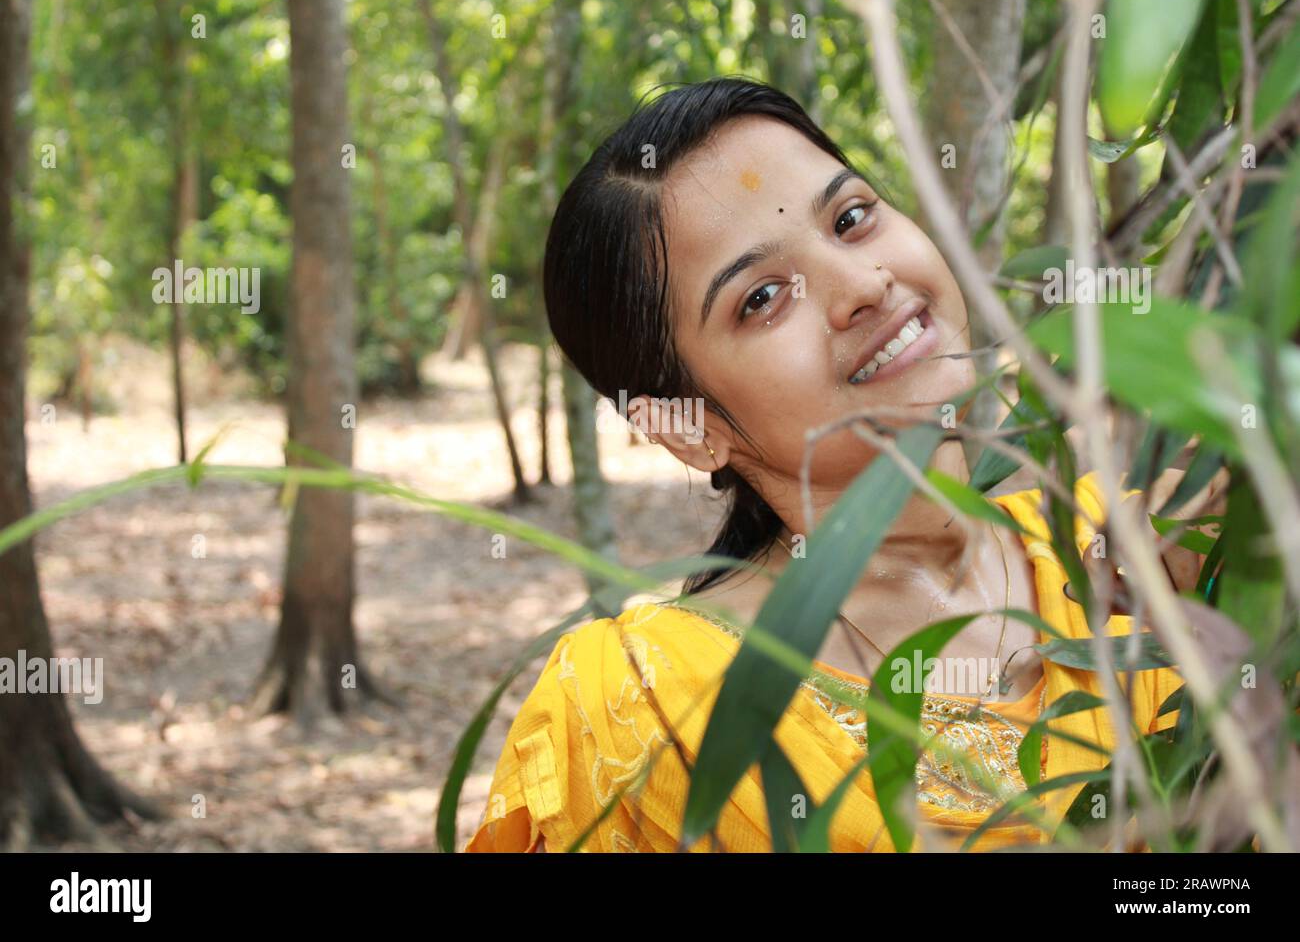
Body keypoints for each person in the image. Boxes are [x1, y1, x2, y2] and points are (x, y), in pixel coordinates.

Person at [465, 77, 1217, 853]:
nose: (863, 287)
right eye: (760, 298)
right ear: (690, 430)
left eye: (851, 218)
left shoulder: (1144, 545)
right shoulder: (645, 710)